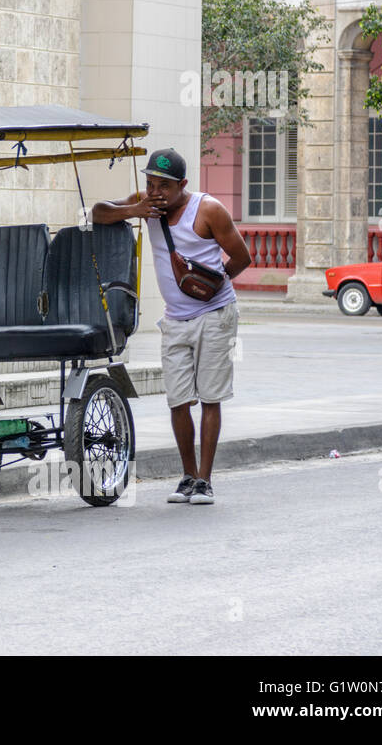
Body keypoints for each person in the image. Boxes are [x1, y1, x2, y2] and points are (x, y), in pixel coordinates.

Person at [92, 147, 251, 505]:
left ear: (183, 185)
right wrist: (133, 210)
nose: (156, 192)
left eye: (164, 186)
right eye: (150, 184)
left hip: (216, 314)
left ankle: (204, 481)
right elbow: (98, 213)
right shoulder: (145, 204)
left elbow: (242, 257)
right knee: (178, 400)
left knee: (210, 397)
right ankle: (187, 476)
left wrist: (211, 281)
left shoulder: (208, 210)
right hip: (175, 319)